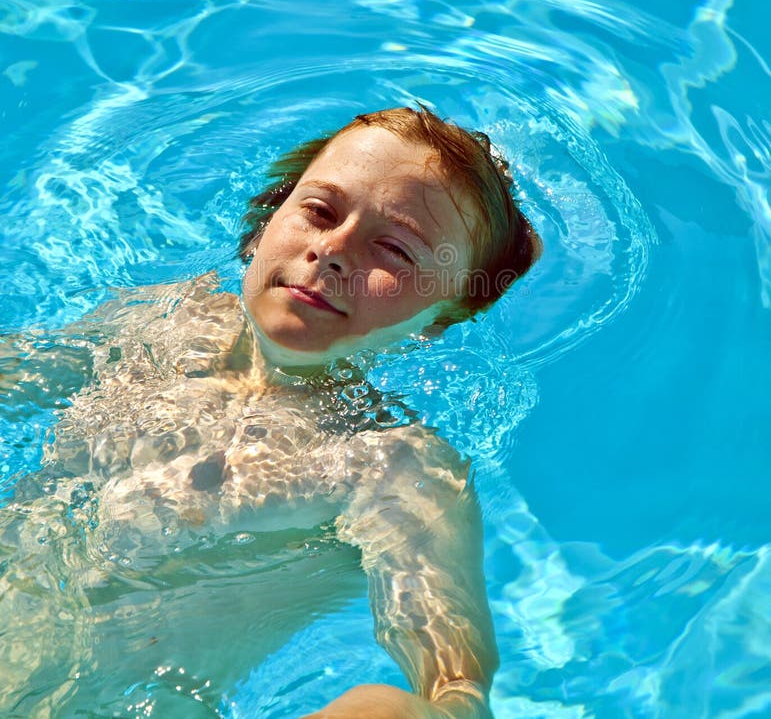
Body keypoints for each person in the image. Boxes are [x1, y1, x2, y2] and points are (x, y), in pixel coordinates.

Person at [0, 105, 541, 718]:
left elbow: (459, 690)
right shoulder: (159, 323)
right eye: (320, 212)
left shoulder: (392, 464)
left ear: (444, 315)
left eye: (393, 248)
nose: (333, 251)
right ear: (266, 225)